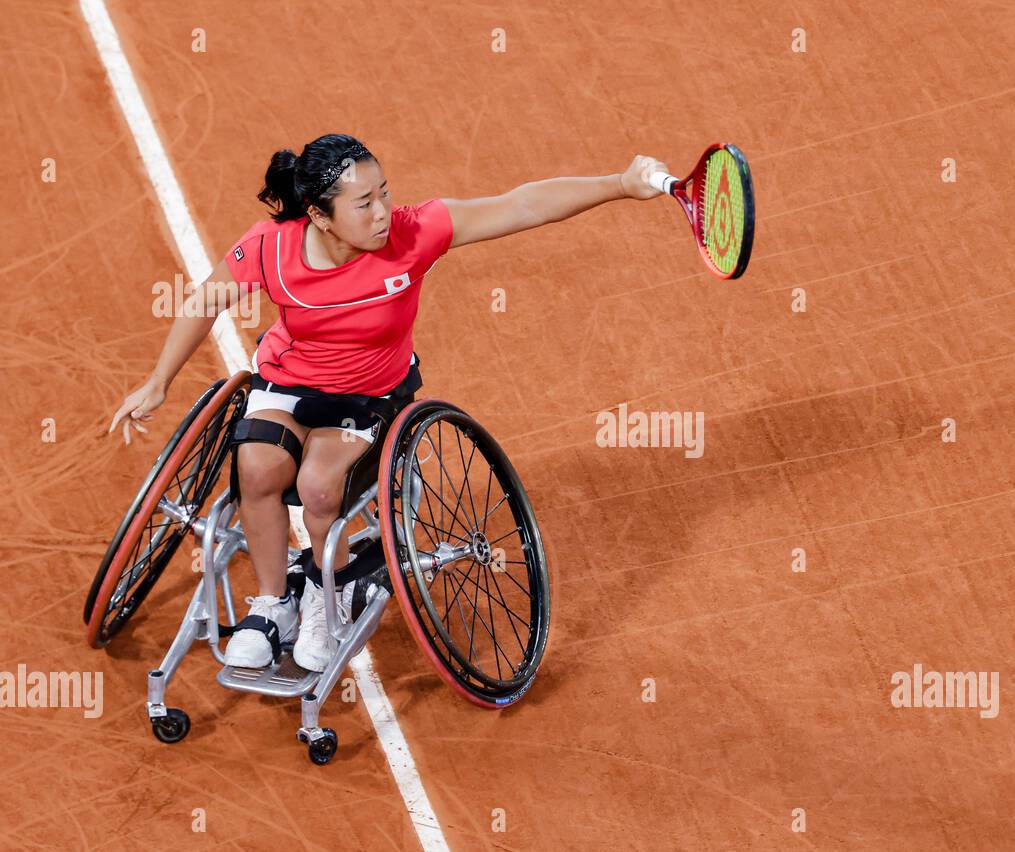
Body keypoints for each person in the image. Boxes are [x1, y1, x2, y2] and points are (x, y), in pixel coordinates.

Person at [106, 133, 667, 671]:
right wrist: (158, 381)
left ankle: (328, 598)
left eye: (384, 194)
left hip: (370, 394)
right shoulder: (272, 248)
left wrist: (621, 182)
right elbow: (205, 298)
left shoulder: (413, 234)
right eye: (363, 203)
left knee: (319, 486)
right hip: (289, 382)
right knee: (256, 469)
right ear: (319, 216)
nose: (381, 213)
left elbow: (521, 206)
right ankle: (273, 603)